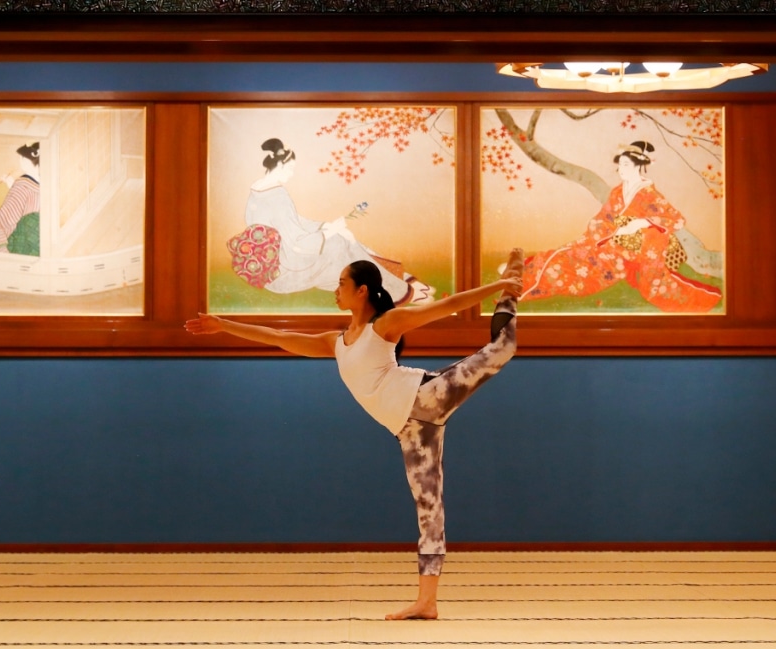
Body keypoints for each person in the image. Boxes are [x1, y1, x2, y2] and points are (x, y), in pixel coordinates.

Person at [185, 248, 525, 620]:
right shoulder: (335, 343)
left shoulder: (385, 325)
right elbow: (279, 336)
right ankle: (427, 602)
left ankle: (512, 289)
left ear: (362, 290)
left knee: (503, 348)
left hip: (425, 396)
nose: (336, 290)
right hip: (409, 431)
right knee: (430, 513)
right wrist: (225, 325)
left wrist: (500, 285)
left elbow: (447, 306)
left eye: (341, 283)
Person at [518, 140, 722, 313]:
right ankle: (528, 272)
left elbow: (675, 219)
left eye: (625, 164)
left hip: (626, 254)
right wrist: (607, 231)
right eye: (620, 165)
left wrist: (640, 223)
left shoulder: (649, 194)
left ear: (638, 166)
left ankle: (535, 280)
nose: (620, 169)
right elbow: (604, 217)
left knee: (579, 274)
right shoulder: (618, 192)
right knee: (567, 255)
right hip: (609, 242)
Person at [239, 138, 434, 304]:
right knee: (341, 244)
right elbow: (296, 243)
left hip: (279, 262)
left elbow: (295, 223)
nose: (292, 173)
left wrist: (325, 226)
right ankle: (401, 291)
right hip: (285, 269)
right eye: (290, 168)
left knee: (344, 246)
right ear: (280, 166)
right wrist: (329, 233)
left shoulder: (259, 191)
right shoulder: (276, 196)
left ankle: (394, 278)